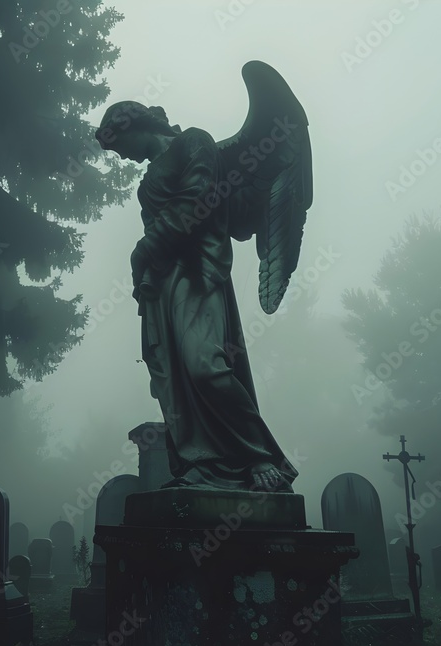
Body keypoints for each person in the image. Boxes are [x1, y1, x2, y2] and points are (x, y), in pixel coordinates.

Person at [95, 101, 296, 493]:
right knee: (175, 380)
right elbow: (158, 228)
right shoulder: (145, 182)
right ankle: (202, 463)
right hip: (164, 284)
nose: (124, 157)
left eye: (120, 146)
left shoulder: (193, 143)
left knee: (204, 366)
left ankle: (259, 456)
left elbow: (199, 201)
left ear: (133, 126)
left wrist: (145, 247)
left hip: (200, 275)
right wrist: (146, 262)